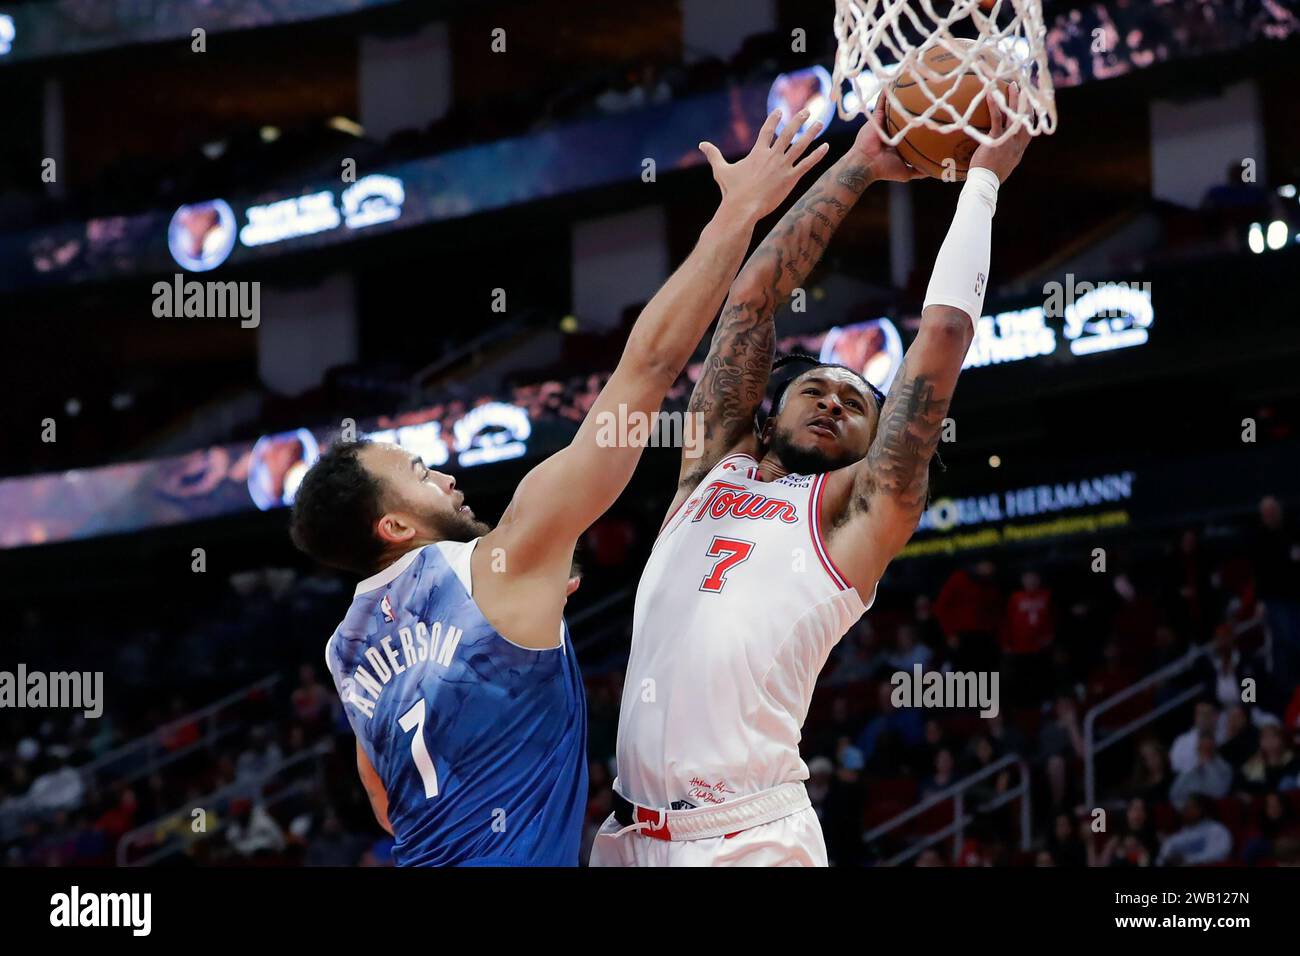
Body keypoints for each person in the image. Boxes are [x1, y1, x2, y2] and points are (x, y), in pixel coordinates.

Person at [289, 110, 831, 866]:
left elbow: (385, 802)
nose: (444, 475)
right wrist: (737, 211)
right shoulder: (510, 552)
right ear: (395, 527)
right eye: (417, 475)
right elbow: (645, 368)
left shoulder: (344, 652)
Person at [592, 90, 1033, 866]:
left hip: (748, 839)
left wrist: (984, 185)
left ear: (875, 442)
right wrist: (859, 164)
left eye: (857, 403)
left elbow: (943, 335)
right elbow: (752, 300)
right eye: (813, 391)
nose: (833, 399)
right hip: (626, 836)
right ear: (765, 420)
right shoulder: (709, 469)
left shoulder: (859, 513)